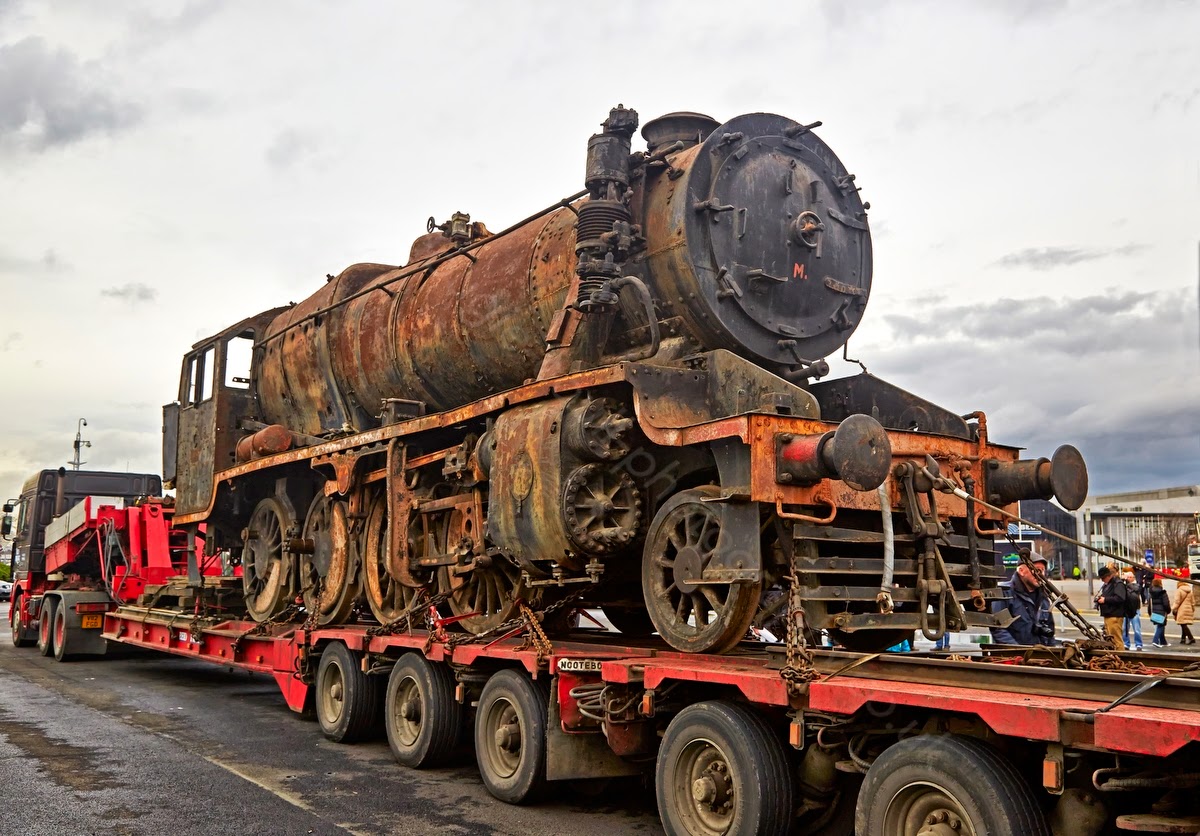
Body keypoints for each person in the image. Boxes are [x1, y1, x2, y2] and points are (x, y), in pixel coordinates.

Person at [990, 552, 1057, 646]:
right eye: (1036, 570)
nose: (1041, 575)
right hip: (1013, 657)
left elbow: (1050, 632)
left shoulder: (1044, 597)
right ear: (1021, 571)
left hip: (1040, 656)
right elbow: (998, 629)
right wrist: (1020, 653)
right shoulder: (1004, 593)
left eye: (1043, 570)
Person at [1096, 566, 1128, 649]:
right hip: (1109, 614)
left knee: (1116, 640)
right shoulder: (1109, 584)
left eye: (1103, 578)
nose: (1102, 580)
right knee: (1111, 640)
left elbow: (1120, 598)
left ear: (1108, 576)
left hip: (1115, 615)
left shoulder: (1118, 584)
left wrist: (1105, 600)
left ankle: (1120, 658)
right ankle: (1115, 657)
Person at [1122, 571, 1143, 650]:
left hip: (1135, 609)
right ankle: (1126, 643)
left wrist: (1126, 583)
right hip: (1126, 609)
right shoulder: (1124, 585)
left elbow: (1135, 589)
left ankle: (1139, 644)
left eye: (1129, 577)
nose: (1128, 579)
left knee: (1136, 628)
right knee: (1124, 628)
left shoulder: (1136, 585)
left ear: (1132, 578)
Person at [1148, 577, 1171, 648]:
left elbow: (1149, 604)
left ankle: (1163, 642)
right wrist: (1168, 610)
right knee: (1160, 626)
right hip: (1162, 611)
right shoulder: (1163, 592)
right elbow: (1166, 603)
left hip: (1154, 611)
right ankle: (1155, 641)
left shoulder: (1151, 593)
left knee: (1160, 625)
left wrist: (1149, 612)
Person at [1172, 580, 1195, 645]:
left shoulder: (1179, 590)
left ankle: (1191, 638)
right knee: (1183, 623)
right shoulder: (1190, 591)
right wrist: (1193, 609)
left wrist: (1173, 608)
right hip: (1189, 608)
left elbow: (1177, 601)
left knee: (1183, 624)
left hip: (1181, 609)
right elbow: (1193, 602)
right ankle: (1183, 639)